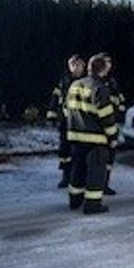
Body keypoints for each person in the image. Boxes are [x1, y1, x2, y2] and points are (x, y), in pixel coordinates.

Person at [65, 54, 120, 214]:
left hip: (75, 136)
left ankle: (75, 200)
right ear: (103, 69)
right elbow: (106, 117)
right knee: (96, 171)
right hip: (95, 139)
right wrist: (113, 137)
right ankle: (92, 204)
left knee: (78, 168)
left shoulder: (75, 84)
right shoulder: (99, 88)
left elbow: (67, 109)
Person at [47, 54, 86, 189]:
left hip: (81, 122)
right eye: (73, 65)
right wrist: (52, 115)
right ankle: (66, 176)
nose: (76, 67)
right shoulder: (64, 81)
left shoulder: (86, 82)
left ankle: (79, 176)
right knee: (65, 149)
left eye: (79, 65)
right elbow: (56, 98)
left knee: (79, 150)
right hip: (66, 121)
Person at [97, 52, 124, 196]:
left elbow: (119, 101)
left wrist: (118, 119)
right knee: (97, 158)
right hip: (98, 126)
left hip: (112, 123)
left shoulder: (112, 82)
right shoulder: (95, 82)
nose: (108, 65)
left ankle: (105, 184)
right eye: (105, 62)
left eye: (109, 62)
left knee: (109, 157)